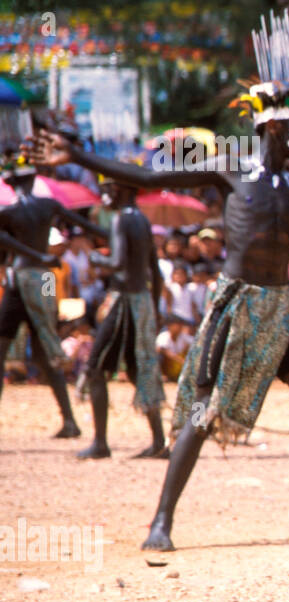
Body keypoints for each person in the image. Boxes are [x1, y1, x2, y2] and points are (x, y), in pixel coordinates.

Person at [34, 9, 289, 551]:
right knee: (202, 413)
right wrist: (80, 155)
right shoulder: (231, 168)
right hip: (234, 305)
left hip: (278, 309)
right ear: (272, 124)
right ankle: (162, 521)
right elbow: (146, 175)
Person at [0, 150, 107, 437]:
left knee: (4, 347)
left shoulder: (9, 211)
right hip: (44, 278)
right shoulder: (48, 206)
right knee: (47, 347)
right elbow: (87, 226)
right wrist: (112, 234)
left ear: (9, 181)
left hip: (19, 279)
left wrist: (31, 253)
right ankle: (70, 421)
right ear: (34, 177)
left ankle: (70, 421)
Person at [77, 177, 169, 460]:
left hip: (123, 302)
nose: (105, 194)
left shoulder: (120, 220)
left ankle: (101, 444)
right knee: (138, 370)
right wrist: (153, 311)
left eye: (108, 188)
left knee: (94, 370)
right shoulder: (142, 221)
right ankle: (158, 441)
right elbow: (156, 272)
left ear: (122, 188)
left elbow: (116, 262)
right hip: (141, 302)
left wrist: (95, 259)